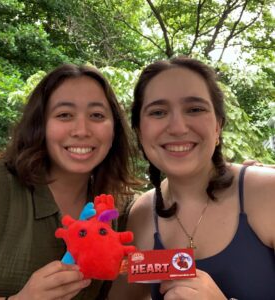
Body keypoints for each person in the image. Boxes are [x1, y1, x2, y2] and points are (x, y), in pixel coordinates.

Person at [109, 56, 275, 300]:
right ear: (140, 133)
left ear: (218, 126)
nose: (177, 127)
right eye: (158, 112)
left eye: (195, 109)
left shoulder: (267, 193)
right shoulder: (142, 214)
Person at [0, 64, 139, 299]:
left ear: (114, 130)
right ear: (40, 125)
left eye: (97, 116)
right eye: (64, 115)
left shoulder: (120, 211)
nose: (81, 130)